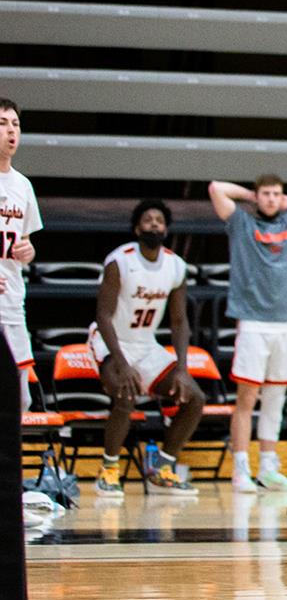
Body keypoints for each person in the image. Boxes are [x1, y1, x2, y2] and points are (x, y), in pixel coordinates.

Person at [208, 173, 287, 492]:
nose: (270, 199)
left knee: (276, 398)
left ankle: (268, 466)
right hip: (252, 323)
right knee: (247, 399)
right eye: (265, 193)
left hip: (286, 323)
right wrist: (250, 197)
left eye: (275, 194)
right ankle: (241, 467)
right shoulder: (241, 222)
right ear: (256, 196)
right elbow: (216, 188)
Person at [89, 199, 203, 496]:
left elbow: (179, 322)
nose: (154, 224)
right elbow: (102, 316)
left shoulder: (176, 265)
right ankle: (109, 470)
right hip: (110, 339)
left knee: (195, 397)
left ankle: (163, 468)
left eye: (159, 220)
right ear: (137, 227)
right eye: (148, 219)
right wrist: (122, 363)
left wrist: (181, 368)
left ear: (166, 229)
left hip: (145, 344)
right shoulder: (120, 260)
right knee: (126, 394)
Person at [0, 99, 38, 404]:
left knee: (20, 398)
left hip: (12, 302)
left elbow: (24, 242)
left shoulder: (23, 186)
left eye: (16, 124)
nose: (11, 131)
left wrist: (28, 251)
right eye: (2, 124)